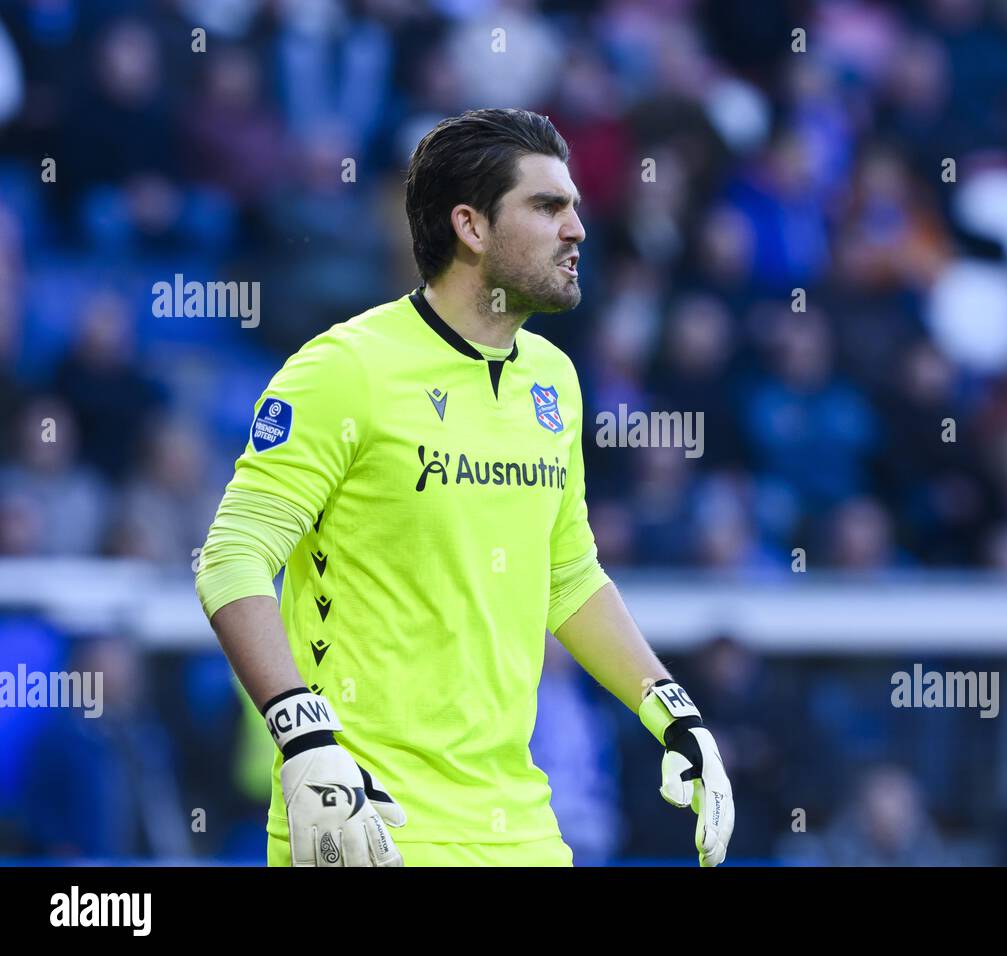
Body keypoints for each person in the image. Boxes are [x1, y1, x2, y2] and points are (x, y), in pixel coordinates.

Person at [195, 108, 733, 867]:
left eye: (575, 206)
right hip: (365, 819)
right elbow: (231, 560)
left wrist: (673, 712)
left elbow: (569, 575)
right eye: (548, 207)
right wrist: (305, 739)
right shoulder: (346, 369)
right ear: (471, 227)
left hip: (520, 825)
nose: (577, 228)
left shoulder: (554, 379)